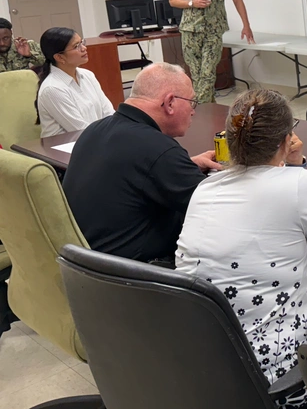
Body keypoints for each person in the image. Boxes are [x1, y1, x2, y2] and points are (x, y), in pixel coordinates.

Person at [175, 88, 307, 409]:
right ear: (287, 140)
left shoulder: (206, 188)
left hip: (208, 365)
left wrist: (293, 167)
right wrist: (297, 170)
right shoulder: (300, 185)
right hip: (278, 381)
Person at [63, 63, 221, 264]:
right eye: (192, 102)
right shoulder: (159, 150)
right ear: (170, 102)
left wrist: (186, 166)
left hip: (83, 262)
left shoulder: (94, 130)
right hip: (133, 272)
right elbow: (216, 208)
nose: (193, 111)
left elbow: (132, 175)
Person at [168, 0, 254, 105]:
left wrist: (246, 25)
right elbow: (173, 0)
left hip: (214, 30)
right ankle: (210, 109)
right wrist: (192, 3)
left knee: (207, 73)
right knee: (197, 74)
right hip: (190, 30)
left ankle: (198, 109)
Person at [35, 27, 114, 138]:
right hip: (65, 146)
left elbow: (108, 112)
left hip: (95, 139)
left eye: (82, 42)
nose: (84, 48)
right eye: (76, 46)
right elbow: (80, 129)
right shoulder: (52, 89)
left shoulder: (87, 75)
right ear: (59, 57)